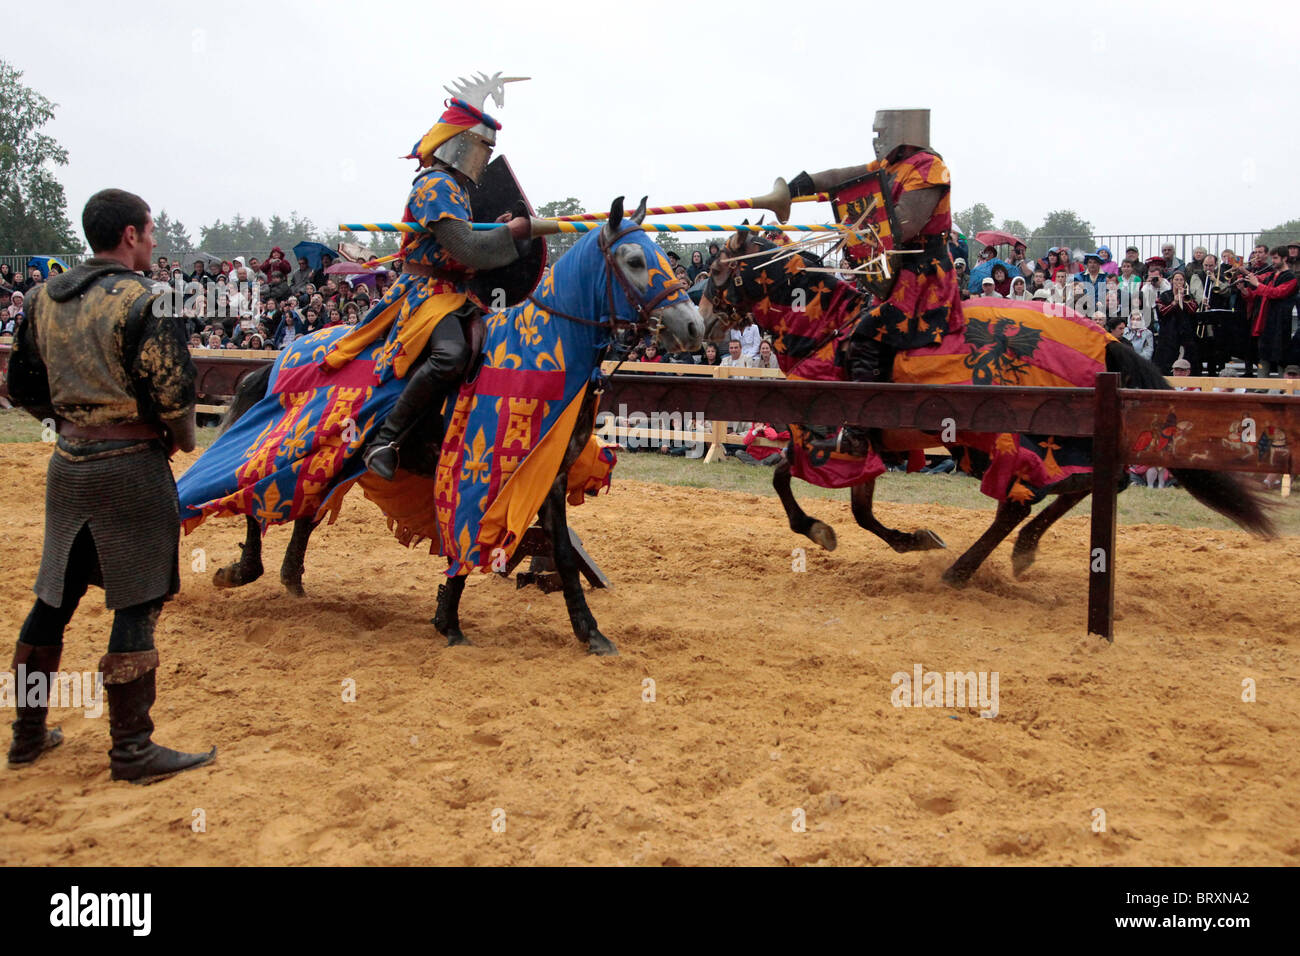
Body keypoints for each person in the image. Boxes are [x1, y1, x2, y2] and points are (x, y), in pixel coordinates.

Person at [3, 188, 215, 782]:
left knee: (54, 598)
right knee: (136, 599)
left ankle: (25, 736)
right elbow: (175, 396)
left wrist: (72, 419)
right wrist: (173, 436)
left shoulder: (42, 298)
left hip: (68, 464)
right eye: (150, 231)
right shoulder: (145, 302)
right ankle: (132, 748)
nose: (154, 241)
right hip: (131, 467)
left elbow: (20, 386)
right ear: (129, 235)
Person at [345, 76, 533, 480]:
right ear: (461, 142)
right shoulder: (434, 184)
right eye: (482, 147)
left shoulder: (457, 188)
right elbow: (464, 248)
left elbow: (466, 237)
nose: (484, 158)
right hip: (426, 292)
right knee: (451, 356)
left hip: (458, 292)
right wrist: (512, 233)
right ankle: (386, 439)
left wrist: (497, 228)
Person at [786, 110, 960, 457]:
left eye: (881, 132)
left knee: (867, 334)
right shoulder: (889, 166)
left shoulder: (928, 167)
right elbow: (840, 177)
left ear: (904, 131)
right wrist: (793, 190)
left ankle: (859, 431)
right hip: (894, 272)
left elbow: (904, 225)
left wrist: (858, 231)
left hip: (922, 275)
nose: (876, 138)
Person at [1237, 245, 1298, 377]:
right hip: (1265, 321)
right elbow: (1255, 295)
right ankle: (1261, 389)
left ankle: (1283, 390)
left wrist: (1257, 283)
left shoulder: (1290, 277)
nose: (1273, 261)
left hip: (1280, 323)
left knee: (1281, 356)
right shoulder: (1271, 276)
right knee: (1263, 356)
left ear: (1285, 258)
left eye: (1275, 258)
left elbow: (1276, 293)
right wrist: (1243, 289)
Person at [1154, 271, 1199, 374]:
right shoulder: (1164, 296)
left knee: (1189, 355)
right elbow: (1162, 312)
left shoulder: (1188, 295)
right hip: (1169, 332)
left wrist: (1183, 299)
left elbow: (1193, 310)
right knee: (1168, 357)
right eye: (1176, 279)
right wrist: (1174, 303)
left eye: (1181, 280)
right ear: (1171, 281)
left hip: (1185, 331)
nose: (1179, 282)